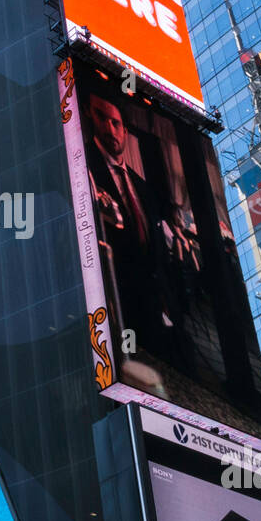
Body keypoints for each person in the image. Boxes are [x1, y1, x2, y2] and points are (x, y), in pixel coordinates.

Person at [84, 91, 175, 356]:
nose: (109, 128)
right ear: (90, 117)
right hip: (116, 307)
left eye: (116, 123)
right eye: (101, 118)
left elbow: (158, 246)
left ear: (125, 130)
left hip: (156, 303)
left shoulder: (142, 186)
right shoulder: (84, 169)